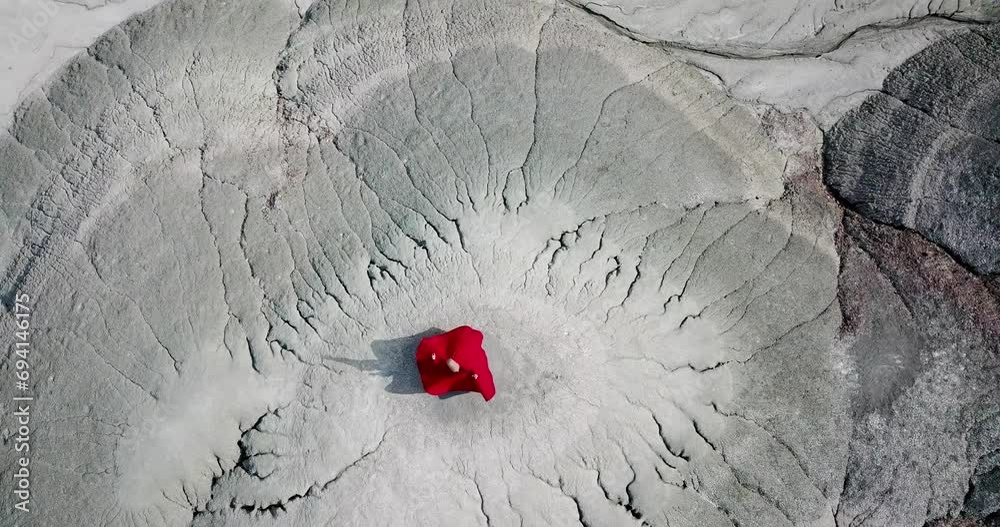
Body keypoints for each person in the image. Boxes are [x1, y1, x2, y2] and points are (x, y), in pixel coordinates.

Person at [415, 326, 496, 401]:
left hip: (463, 357)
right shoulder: (464, 344)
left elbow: (487, 387)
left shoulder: (472, 364)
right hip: (461, 350)